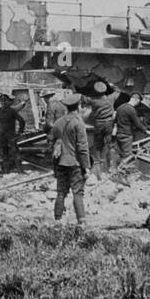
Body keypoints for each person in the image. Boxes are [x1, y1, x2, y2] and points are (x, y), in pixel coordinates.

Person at [50, 96, 91, 226]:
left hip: (60, 163)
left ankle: (57, 221)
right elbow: (82, 148)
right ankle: (81, 222)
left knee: (61, 192)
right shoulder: (78, 123)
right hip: (75, 163)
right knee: (78, 193)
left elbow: (54, 144)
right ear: (78, 106)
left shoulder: (58, 123)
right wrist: (86, 167)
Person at [0, 92, 26, 174]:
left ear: (8, 102)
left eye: (5, 101)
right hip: (1, 136)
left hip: (11, 136)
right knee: (4, 153)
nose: (3, 103)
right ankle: (6, 171)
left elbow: (21, 121)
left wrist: (19, 132)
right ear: (0, 102)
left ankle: (20, 171)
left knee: (15, 152)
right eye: (2, 101)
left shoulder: (12, 111)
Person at [112, 92, 150, 169]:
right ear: (136, 100)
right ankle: (124, 176)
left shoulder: (120, 107)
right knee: (127, 157)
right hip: (126, 135)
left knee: (121, 155)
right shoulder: (131, 110)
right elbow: (137, 124)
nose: (138, 104)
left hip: (119, 134)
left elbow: (115, 122)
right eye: (138, 102)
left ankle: (117, 173)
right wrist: (146, 131)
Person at [86, 81, 118, 170]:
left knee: (97, 144)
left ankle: (97, 163)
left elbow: (84, 99)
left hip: (98, 123)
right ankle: (109, 164)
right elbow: (117, 92)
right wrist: (111, 85)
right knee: (109, 143)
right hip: (109, 123)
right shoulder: (110, 98)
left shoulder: (93, 101)